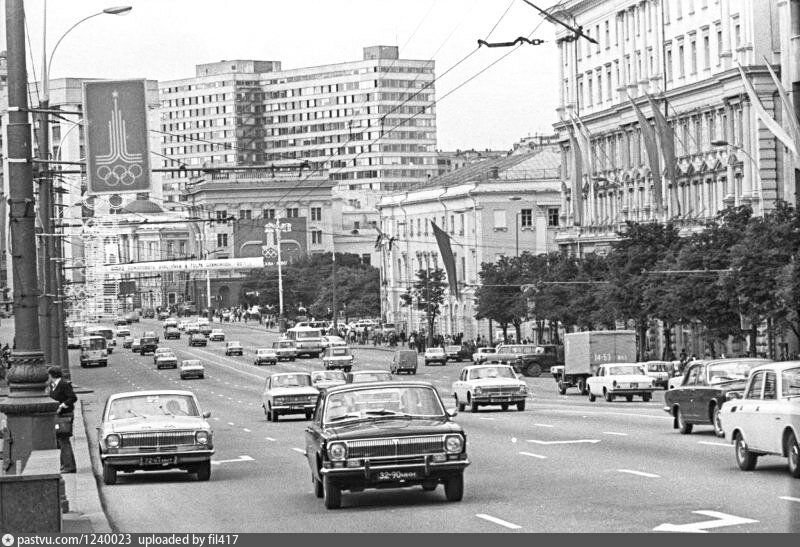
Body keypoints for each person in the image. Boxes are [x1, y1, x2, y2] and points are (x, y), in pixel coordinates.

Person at [47, 366, 77, 473]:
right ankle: (66, 464)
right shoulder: (52, 385)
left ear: (52, 375)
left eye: (49, 375)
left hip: (65, 415)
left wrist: (62, 405)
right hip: (59, 416)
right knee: (62, 441)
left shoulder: (64, 384)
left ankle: (69, 466)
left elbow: (73, 397)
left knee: (63, 440)